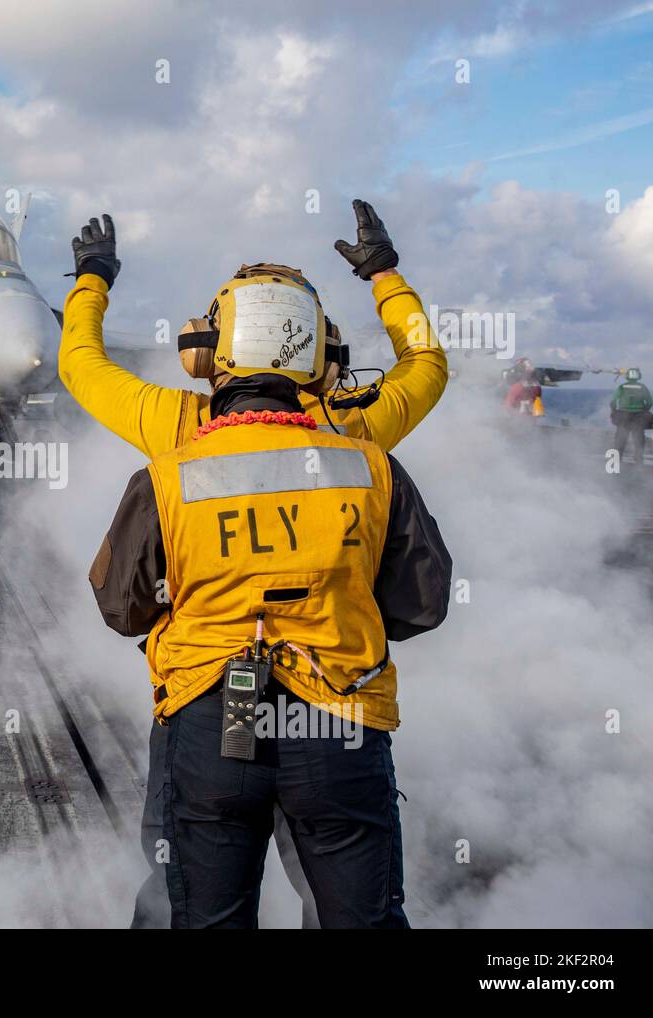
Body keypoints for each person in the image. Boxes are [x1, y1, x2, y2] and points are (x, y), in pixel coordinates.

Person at [60, 201, 449, 929]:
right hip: (341, 717)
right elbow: (426, 365)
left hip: (209, 717)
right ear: (324, 356)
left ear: (206, 354)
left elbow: (81, 366)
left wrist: (93, 280)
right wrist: (385, 276)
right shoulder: (355, 434)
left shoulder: (175, 436)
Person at [611, 367, 653, 464]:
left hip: (623, 416)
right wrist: (644, 411)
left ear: (627, 376)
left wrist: (614, 411)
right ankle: (638, 459)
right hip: (638, 417)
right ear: (638, 376)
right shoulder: (642, 387)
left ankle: (617, 459)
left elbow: (613, 402)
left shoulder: (622, 387)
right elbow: (649, 402)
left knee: (620, 439)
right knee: (638, 439)